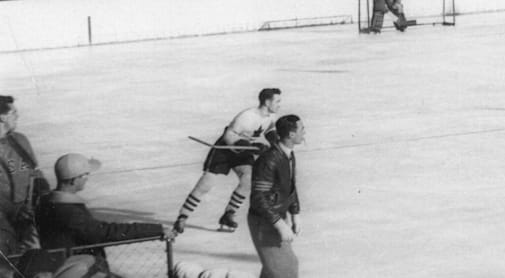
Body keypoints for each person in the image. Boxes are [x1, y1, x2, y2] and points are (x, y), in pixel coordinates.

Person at [173, 88, 282, 234]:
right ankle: (183, 216)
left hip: (243, 152)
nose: (279, 104)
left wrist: (275, 144)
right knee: (206, 184)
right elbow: (229, 136)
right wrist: (250, 146)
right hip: (224, 150)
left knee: (248, 180)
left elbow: (269, 130)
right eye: (277, 101)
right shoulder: (247, 116)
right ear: (267, 102)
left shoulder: (269, 116)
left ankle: (228, 214)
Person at [35, 153, 174, 262]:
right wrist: (156, 230)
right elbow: (105, 233)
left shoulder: (47, 203)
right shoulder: (69, 213)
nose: (87, 178)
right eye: (85, 175)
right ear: (74, 180)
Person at [249, 114, 304, 278]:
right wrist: (278, 224)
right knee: (285, 270)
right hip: (264, 220)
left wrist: (295, 213)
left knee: (278, 269)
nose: (305, 133)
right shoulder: (269, 160)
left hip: (276, 216)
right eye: (302, 129)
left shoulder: (288, 154)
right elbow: (259, 197)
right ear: (291, 135)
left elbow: (290, 186)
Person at [0, 95, 47, 264]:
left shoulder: (20, 141)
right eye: (14, 112)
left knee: (33, 261)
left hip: (25, 216)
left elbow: (34, 172)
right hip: (3, 220)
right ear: (2, 117)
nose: (17, 116)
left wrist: (44, 192)